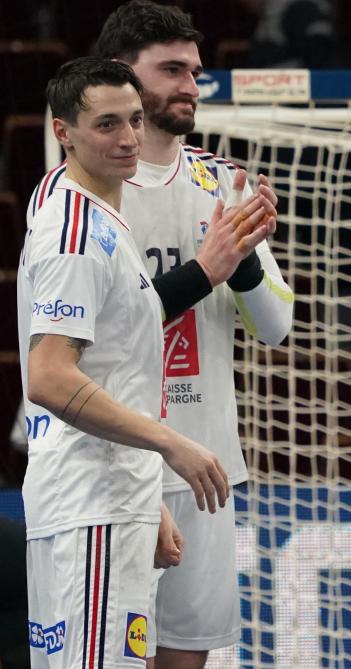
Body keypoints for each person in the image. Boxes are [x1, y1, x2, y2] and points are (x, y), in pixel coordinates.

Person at [35, 3, 295, 667]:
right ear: (122, 74)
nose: (190, 86)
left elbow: (276, 328)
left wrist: (239, 262)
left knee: (184, 657)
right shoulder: (80, 193)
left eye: (195, 71)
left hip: (205, 459)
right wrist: (205, 269)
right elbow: (97, 341)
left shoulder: (221, 180)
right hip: (114, 459)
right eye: (172, 69)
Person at [20, 56, 234, 669]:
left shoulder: (104, 218)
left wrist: (146, 494)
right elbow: (49, 377)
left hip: (114, 498)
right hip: (89, 506)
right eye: (107, 124)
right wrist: (170, 443)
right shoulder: (73, 231)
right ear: (63, 132)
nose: (129, 138)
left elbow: (111, 373)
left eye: (135, 120)